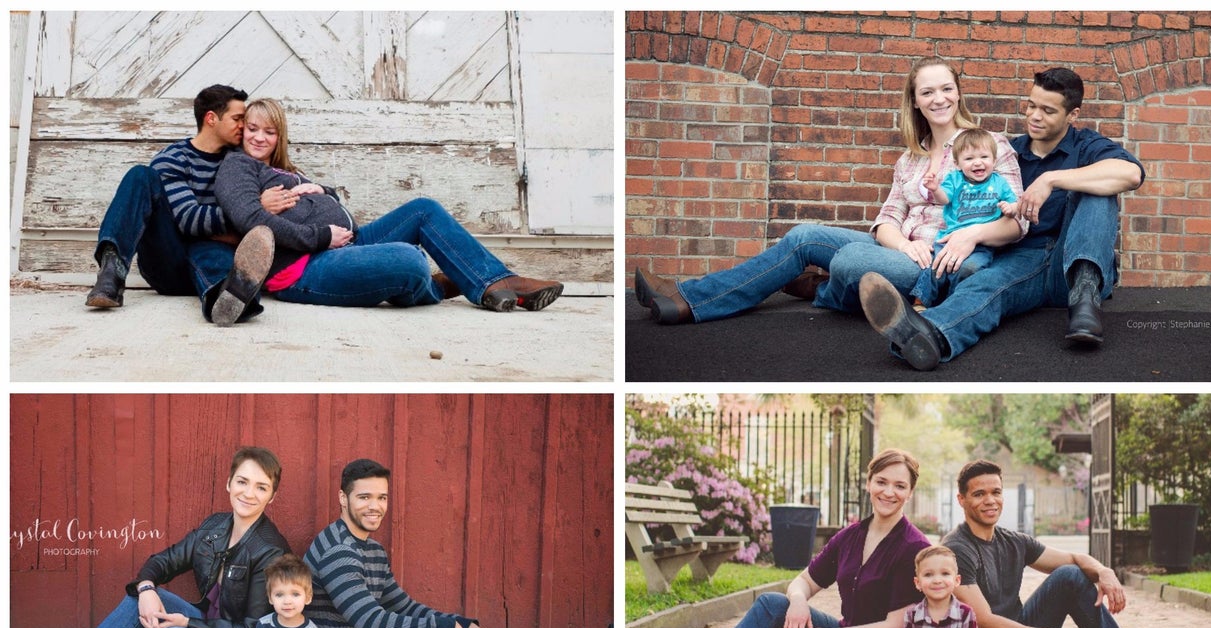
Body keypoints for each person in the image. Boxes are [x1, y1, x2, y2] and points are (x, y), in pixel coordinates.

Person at [632, 57, 1024, 325]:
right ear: (916, 103)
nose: (939, 99)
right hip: (904, 252)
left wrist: (970, 234)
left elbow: (1017, 222)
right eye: (927, 93)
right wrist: (903, 245)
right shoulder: (910, 160)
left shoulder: (989, 146)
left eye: (946, 89)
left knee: (851, 262)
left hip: (939, 261)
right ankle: (688, 299)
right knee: (803, 236)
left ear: (958, 93)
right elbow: (886, 221)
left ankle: (827, 290)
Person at [859, 67, 1146, 369]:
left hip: (1072, 264)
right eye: (1031, 106)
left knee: (1098, 190)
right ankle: (927, 334)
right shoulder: (1006, 152)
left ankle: (1085, 300)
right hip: (1025, 259)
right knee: (986, 287)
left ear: (1072, 115)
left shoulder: (1086, 145)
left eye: (1047, 110)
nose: (1035, 116)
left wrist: (1051, 179)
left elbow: (1131, 174)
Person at [213, 98, 564, 316]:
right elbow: (250, 220)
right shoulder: (238, 166)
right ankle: (434, 288)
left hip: (349, 242)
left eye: (269, 132)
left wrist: (323, 189)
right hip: (304, 268)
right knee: (408, 259)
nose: (259, 138)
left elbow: (327, 200)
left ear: (281, 136)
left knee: (423, 209)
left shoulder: (286, 170)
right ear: (242, 132)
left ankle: (496, 283)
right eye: (253, 130)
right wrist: (321, 236)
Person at [301, 458, 613, 628]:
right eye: (364, 497)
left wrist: (459, 622)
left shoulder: (373, 550)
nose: (375, 506)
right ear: (343, 498)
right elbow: (374, 624)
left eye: (382, 498)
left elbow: (403, 606)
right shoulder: (338, 551)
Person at [647, 449, 931, 628]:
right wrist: (797, 601)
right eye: (881, 482)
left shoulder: (912, 547)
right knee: (772, 604)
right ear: (869, 483)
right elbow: (804, 580)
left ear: (910, 493)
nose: (888, 492)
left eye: (899, 486)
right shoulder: (849, 536)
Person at [11, 447, 291, 628]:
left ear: (272, 496)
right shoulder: (215, 527)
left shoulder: (269, 550)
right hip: (208, 625)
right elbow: (162, 562)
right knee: (139, 598)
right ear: (229, 483)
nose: (249, 493)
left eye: (261, 487)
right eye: (242, 482)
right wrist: (146, 589)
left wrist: (186, 623)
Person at [940, 460, 1179, 628]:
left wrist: (1104, 572)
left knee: (1070, 574)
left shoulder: (1014, 541)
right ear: (962, 500)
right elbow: (983, 623)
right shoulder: (957, 548)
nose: (990, 500)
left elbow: (1073, 559)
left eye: (996, 492)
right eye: (979, 494)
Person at [85, 84, 278, 326]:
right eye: (238, 118)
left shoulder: (240, 160)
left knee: (210, 250)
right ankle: (111, 273)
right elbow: (189, 219)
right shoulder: (172, 158)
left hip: (213, 258)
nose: (244, 126)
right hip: (168, 261)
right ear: (211, 119)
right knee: (140, 176)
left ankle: (226, 301)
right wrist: (252, 210)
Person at [910, 128, 1019, 308]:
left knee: (971, 268)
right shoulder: (955, 179)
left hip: (983, 244)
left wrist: (1010, 209)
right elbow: (945, 199)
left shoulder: (999, 182)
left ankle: (952, 305)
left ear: (994, 159)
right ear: (958, 163)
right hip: (952, 237)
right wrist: (935, 189)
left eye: (984, 157)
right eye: (969, 159)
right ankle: (920, 300)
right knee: (935, 265)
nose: (978, 163)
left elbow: (1014, 204)